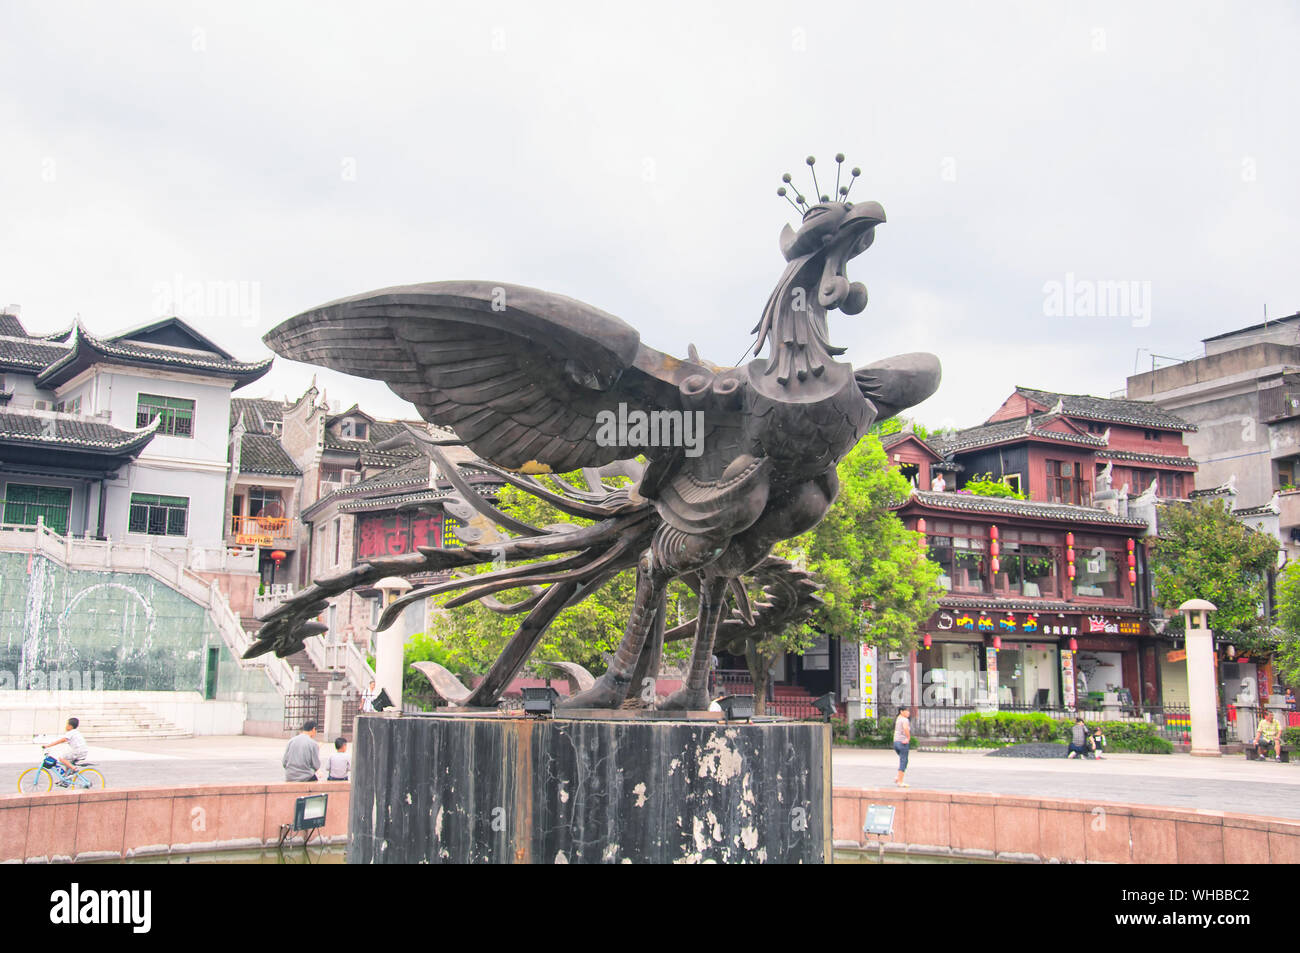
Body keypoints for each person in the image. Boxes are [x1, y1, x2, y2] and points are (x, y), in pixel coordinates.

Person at [42, 717, 89, 784]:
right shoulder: (75, 732)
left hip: (78, 751)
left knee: (62, 758)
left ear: (70, 726)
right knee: (67, 762)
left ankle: (74, 769)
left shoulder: (70, 733)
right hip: (82, 751)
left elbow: (61, 740)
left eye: (66, 724)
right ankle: (66, 779)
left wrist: (48, 745)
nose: (65, 726)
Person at [893, 707, 912, 788]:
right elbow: (905, 728)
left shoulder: (898, 718)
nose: (908, 713)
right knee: (903, 760)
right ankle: (900, 781)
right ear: (901, 711)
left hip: (896, 742)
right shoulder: (904, 720)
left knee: (903, 760)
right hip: (902, 742)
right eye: (906, 711)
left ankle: (898, 777)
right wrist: (908, 738)